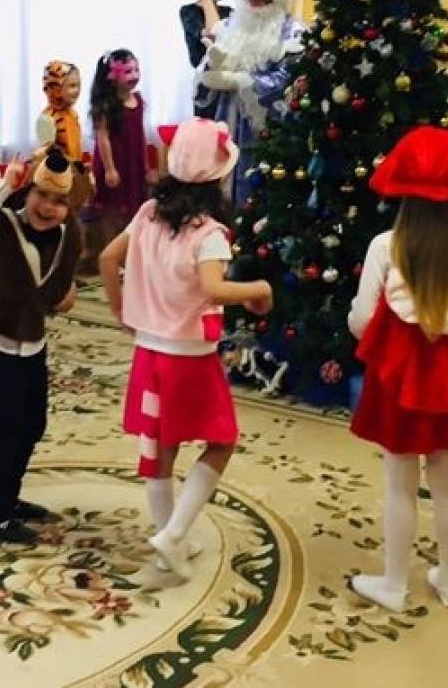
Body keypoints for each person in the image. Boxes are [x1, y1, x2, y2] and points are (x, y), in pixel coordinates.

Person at [99, 118, 273, 580]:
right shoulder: (209, 232)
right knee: (222, 441)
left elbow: (107, 258)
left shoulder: (147, 213)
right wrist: (259, 288)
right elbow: (214, 289)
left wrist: (121, 310)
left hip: (148, 353)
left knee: (161, 449)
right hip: (189, 358)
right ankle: (173, 535)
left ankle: (167, 544)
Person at [347, 126, 448, 611]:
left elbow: (362, 320)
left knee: (399, 483)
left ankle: (394, 584)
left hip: (397, 382)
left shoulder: (385, 247)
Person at [0, 149, 81, 543]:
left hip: (32, 342)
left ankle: (8, 499)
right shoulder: (3, 223)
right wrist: (5, 185)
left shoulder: (66, 235)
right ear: (27, 193)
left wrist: (63, 293)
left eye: (59, 201)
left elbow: (60, 283)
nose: (47, 207)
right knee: (8, 429)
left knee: (32, 425)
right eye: (41, 195)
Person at [198, 0, 303, 203]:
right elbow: (208, 74)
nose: (254, 1)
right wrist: (209, 72)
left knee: (258, 192)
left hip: (267, 131)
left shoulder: (293, 34)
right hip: (226, 120)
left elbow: (288, 80)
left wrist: (241, 82)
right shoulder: (230, 26)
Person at [84, 49, 150, 266]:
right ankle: (110, 256)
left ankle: (128, 258)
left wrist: (145, 165)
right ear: (113, 77)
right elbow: (103, 139)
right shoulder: (105, 106)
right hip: (113, 163)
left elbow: (140, 134)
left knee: (133, 210)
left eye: (136, 69)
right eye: (128, 71)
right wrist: (110, 169)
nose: (135, 75)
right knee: (111, 211)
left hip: (133, 163)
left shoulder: (138, 100)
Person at [180, 0, 232, 118]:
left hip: (229, 81)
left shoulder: (229, 12)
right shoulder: (189, 11)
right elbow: (214, 32)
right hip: (206, 84)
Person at [42, 60, 92, 211]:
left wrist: (81, 167)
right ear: (55, 88)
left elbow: (74, 145)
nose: (77, 91)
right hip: (58, 180)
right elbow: (46, 153)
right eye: (72, 86)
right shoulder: (47, 118)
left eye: (78, 85)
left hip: (75, 174)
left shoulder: (72, 114)